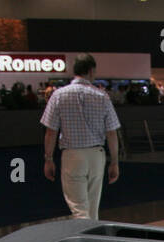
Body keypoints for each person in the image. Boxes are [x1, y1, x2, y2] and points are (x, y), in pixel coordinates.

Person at [40, 54, 121, 220]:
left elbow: (51, 131)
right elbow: (112, 132)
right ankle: (93, 241)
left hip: (73, 155)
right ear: (91, 71)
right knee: (92, 210)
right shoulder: (102, 96)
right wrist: (114, 162)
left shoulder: (59, 95)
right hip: (97, 155)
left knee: (79, 210)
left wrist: (48, 158)